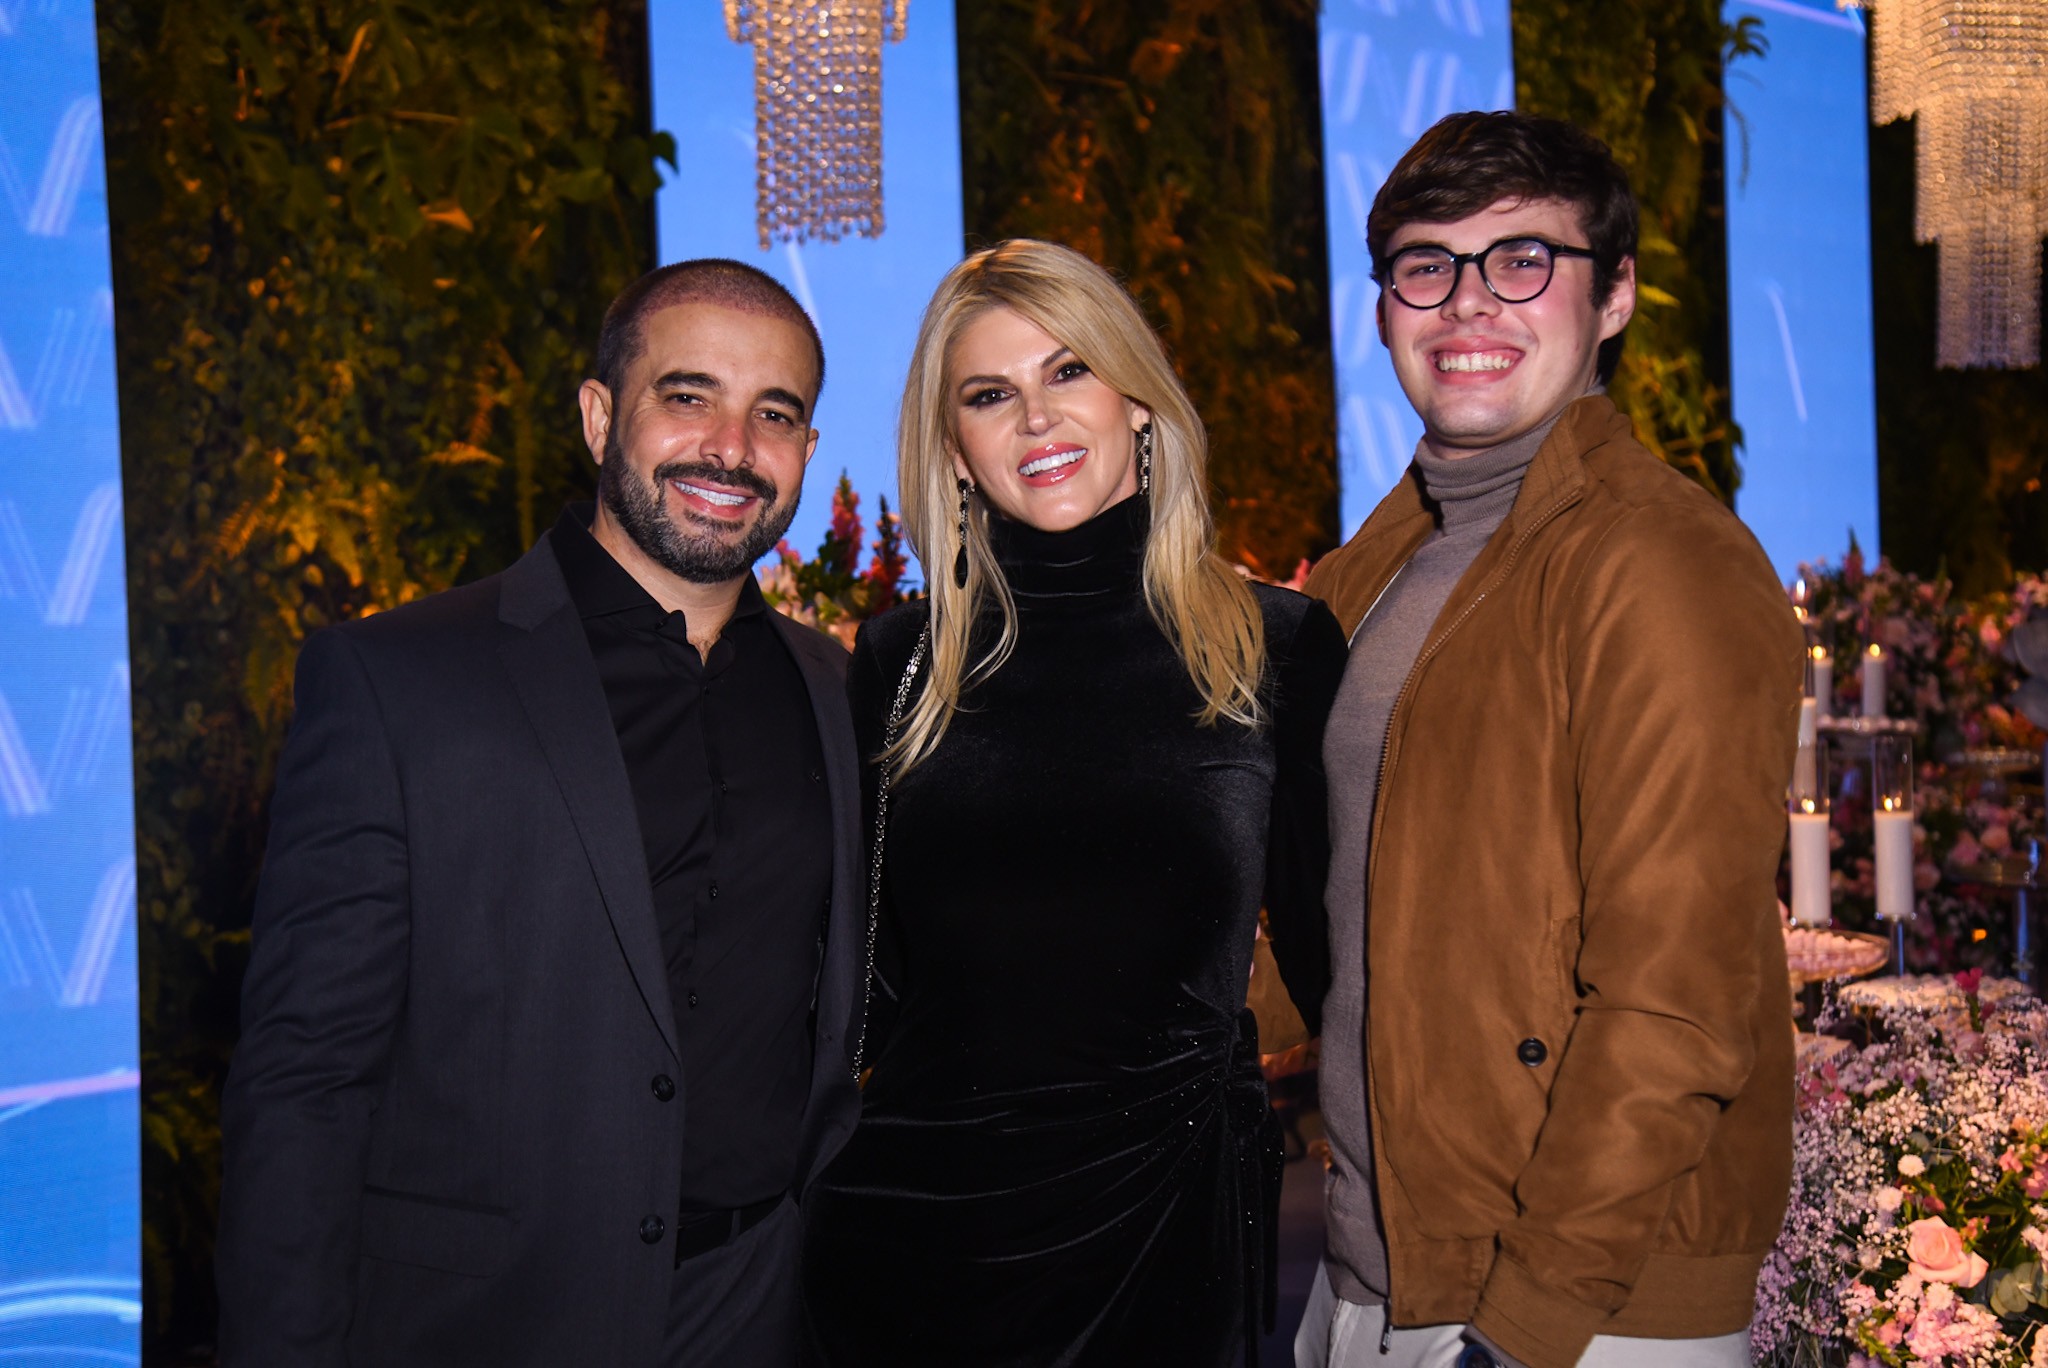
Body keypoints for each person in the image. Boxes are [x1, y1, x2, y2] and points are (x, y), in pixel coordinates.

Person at [216, 259, 865, 1367]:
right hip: (485, 1325)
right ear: (599, 413)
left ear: (806, 449)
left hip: (762, 1310)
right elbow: (305, 1080)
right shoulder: (397, 680)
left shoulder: (835, 688)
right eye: (688, 394)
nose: (731, 446)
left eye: (775, 413)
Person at [1294, 111, 1804, 1368]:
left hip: (1575, 1305)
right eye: (1427, 264)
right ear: (1382, 308)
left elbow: (1673, 1001)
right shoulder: (1375, 562)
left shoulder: (1658, 560)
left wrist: (1524, 1326)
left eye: (1522, 261)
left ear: (1614, 296)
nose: (1466, 304)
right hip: (1375, 1268)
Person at [800, 239, 1346, 1365]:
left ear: (1138, 401)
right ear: (952, 449)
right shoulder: (901, 663)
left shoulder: (1269, 649)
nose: (1036, 421)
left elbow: (1342, 968)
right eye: (989, 395)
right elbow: (859, 978)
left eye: (1068, 372)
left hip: (1162, 1232)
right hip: (909, 1244)